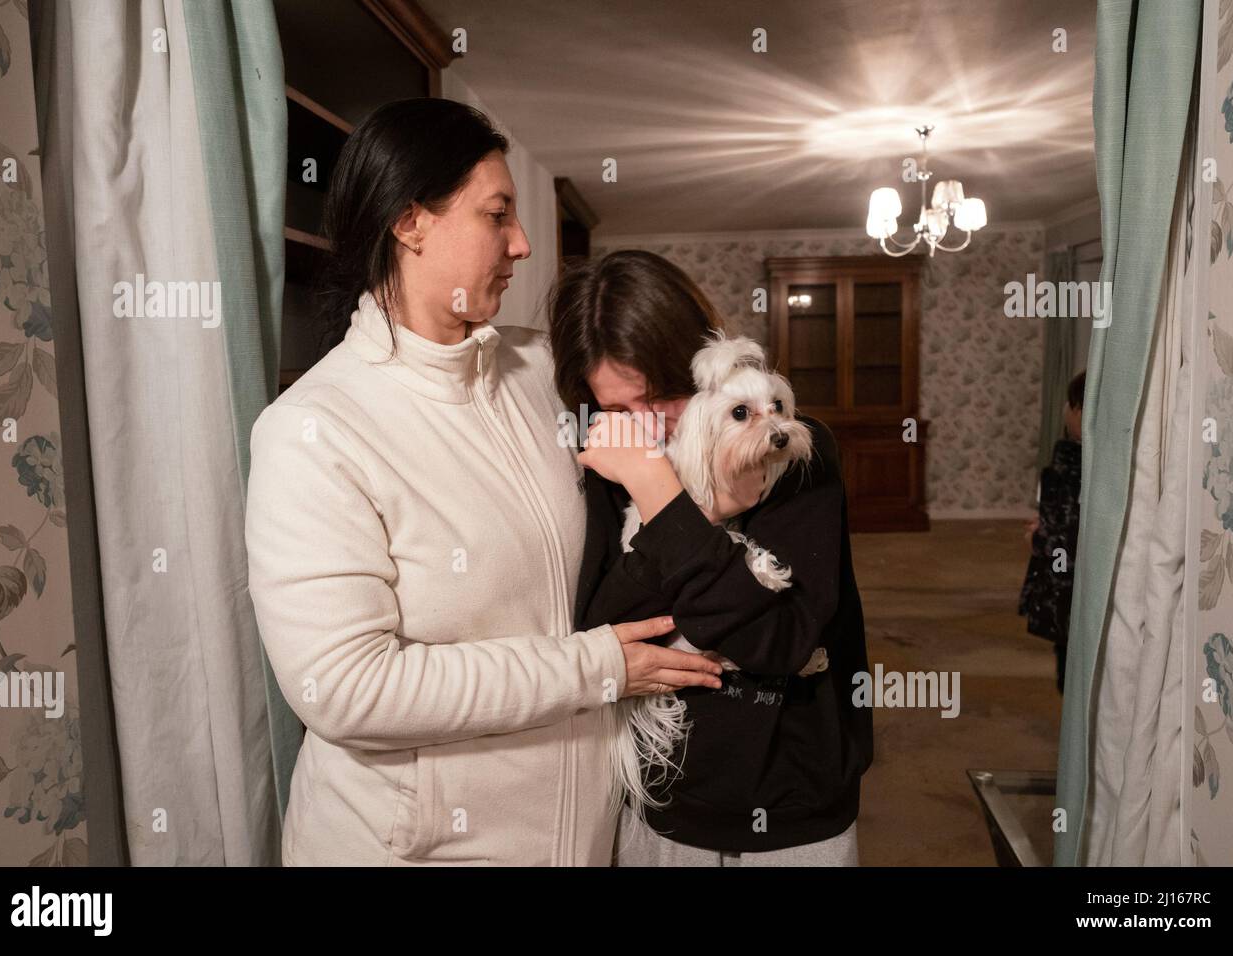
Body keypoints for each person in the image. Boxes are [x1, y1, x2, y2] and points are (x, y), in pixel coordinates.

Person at [244, 100, 723, 867]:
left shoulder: (542, 374)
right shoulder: (314, 431)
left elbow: (687, 427)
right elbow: (347, 688)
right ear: (411, 223)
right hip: (420, 849)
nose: (524, 244)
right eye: (498, 215)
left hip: (580, 835)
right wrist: (597, 667)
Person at [550, 249, 873, 867]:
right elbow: (604, 628)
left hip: (795, 795)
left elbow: (782, 643)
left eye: (663, 396)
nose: (646, 429)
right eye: (620, 409)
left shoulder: (795, 454)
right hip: (667, 797)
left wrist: (662, 502)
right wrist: (682, 501)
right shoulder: (613, 461)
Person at [1019, 370, 1085, 694]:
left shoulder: (1073, 466)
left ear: (1082, 411)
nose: (1064, 411)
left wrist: (1039, 539)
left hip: (1067, 593)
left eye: (1070, 405)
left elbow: (1067, 541)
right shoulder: (1075, 459)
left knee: (1070, 671)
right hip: (1070, 594)